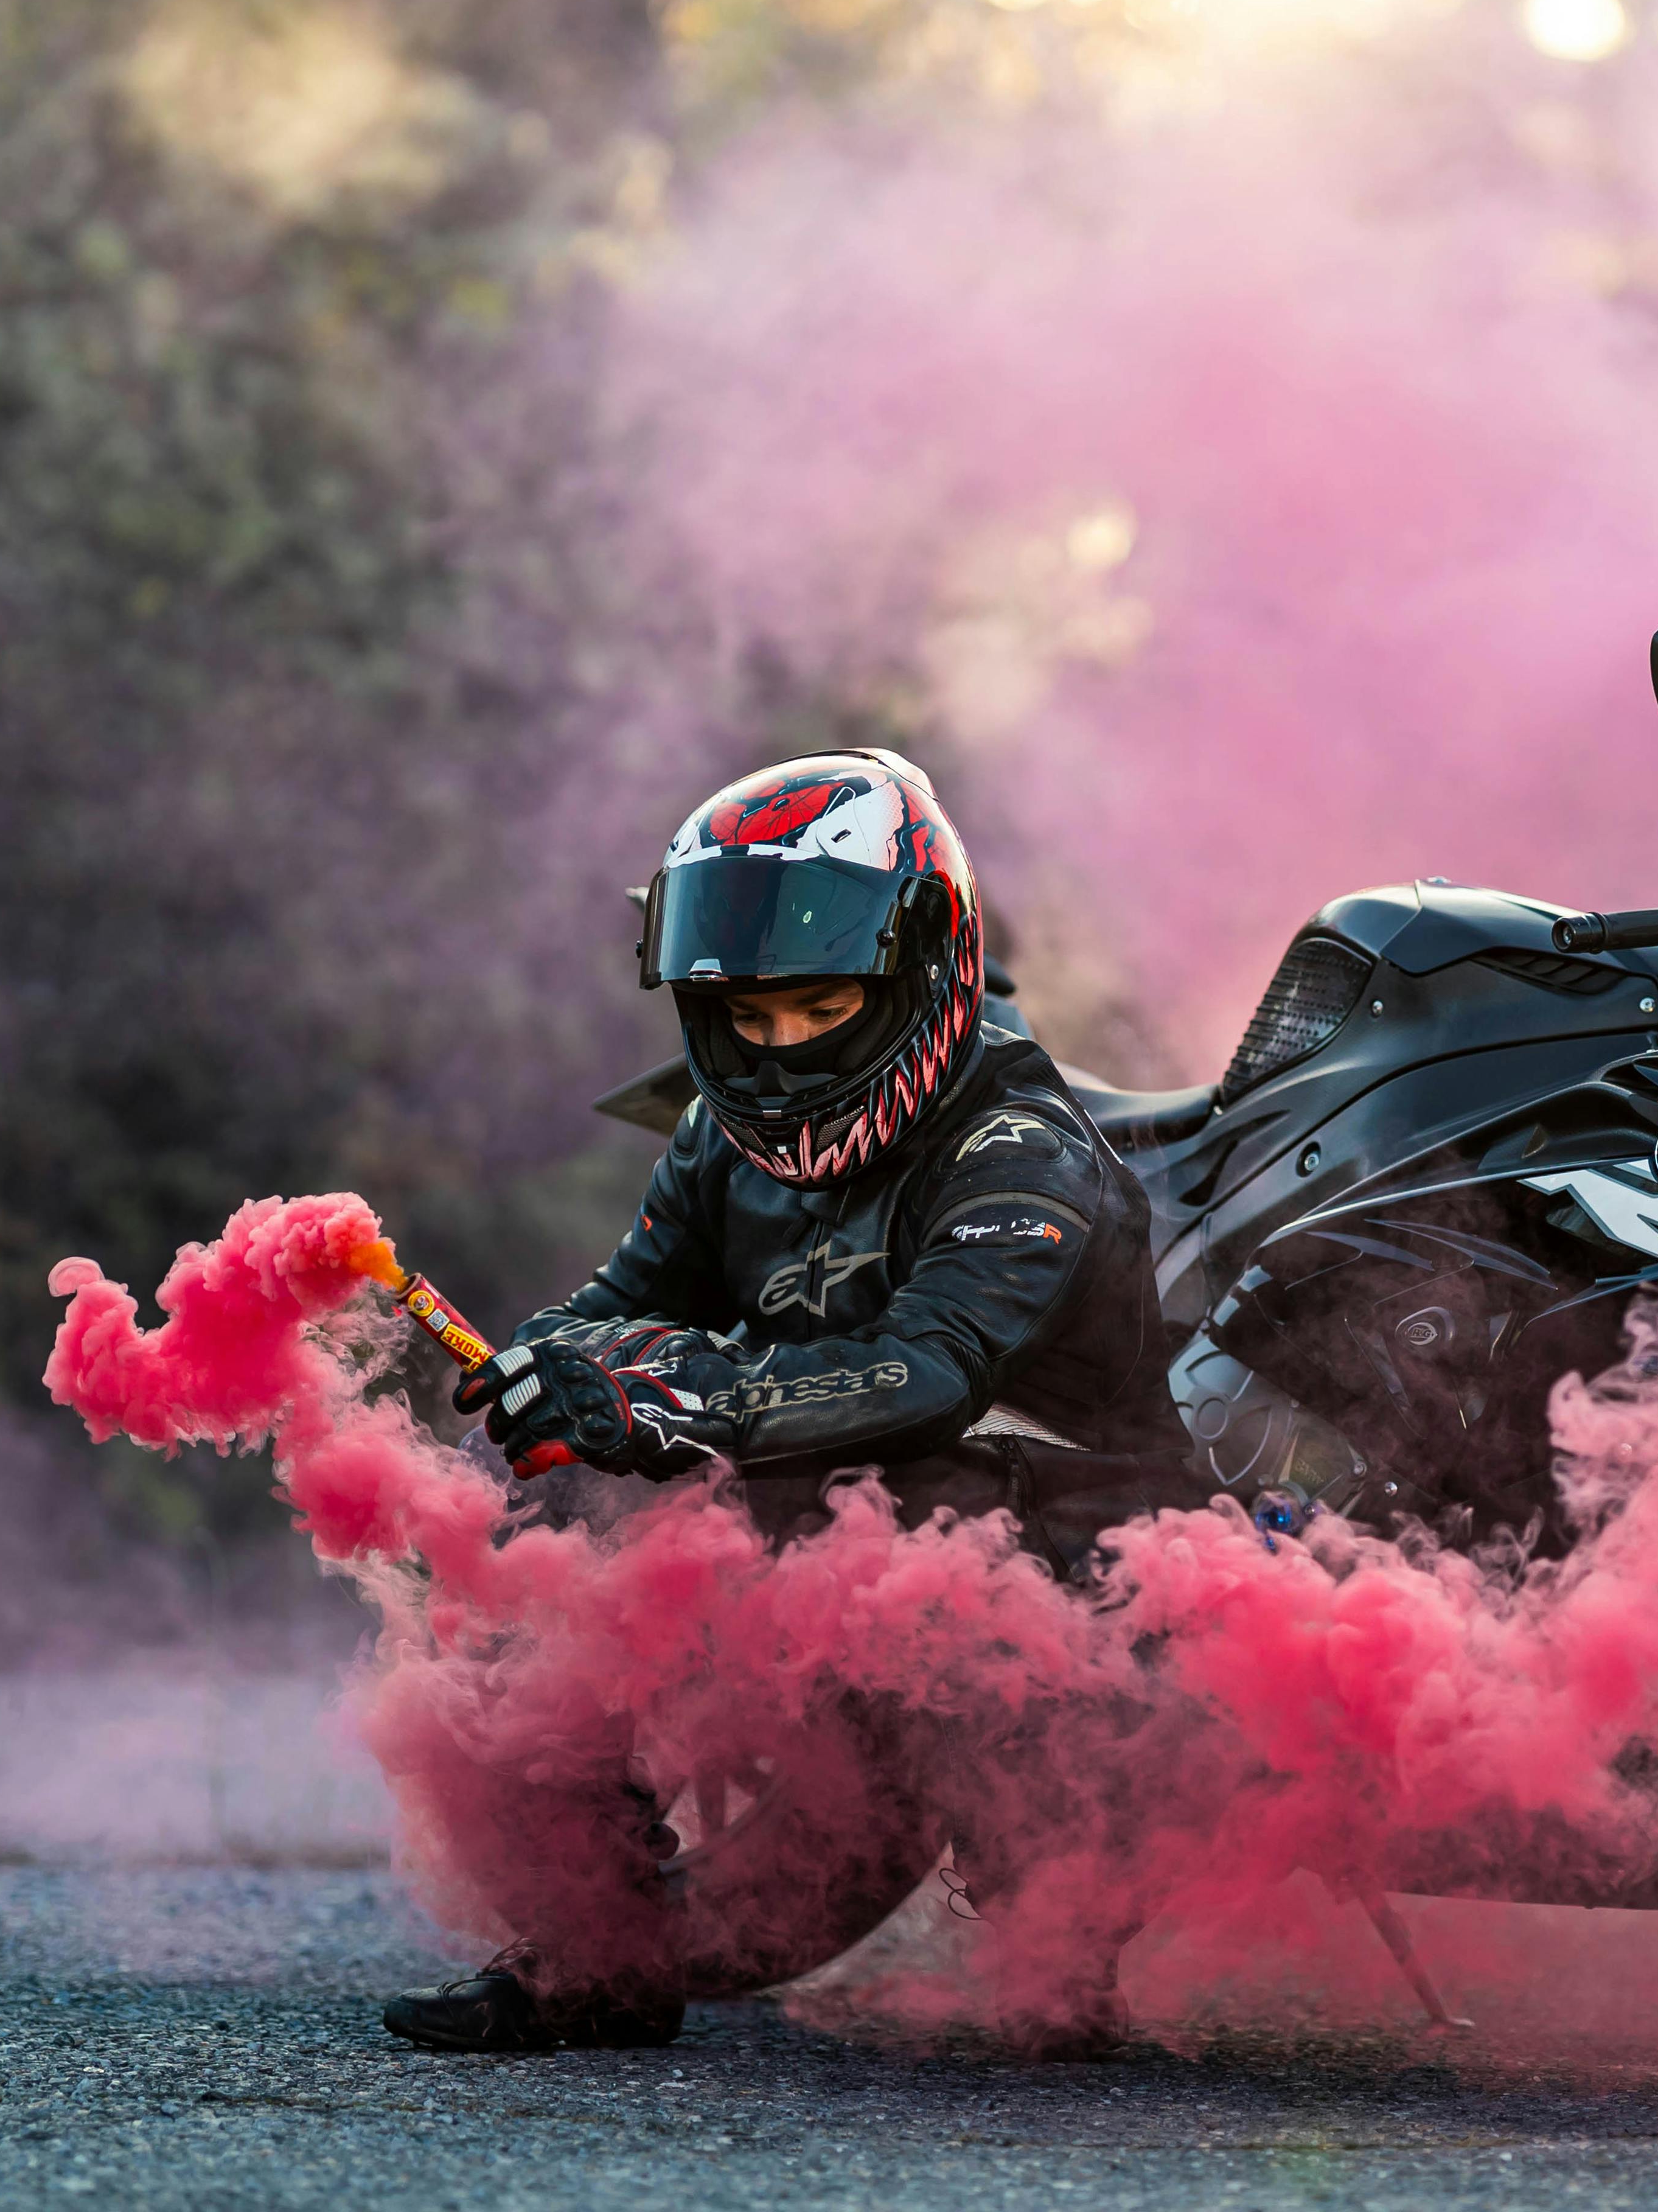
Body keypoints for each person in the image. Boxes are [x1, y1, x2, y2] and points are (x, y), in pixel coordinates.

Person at [380, 750, 1168, 2056]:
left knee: (926, 1516)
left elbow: (930, 1372)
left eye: (820, 1004)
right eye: (748, 1013)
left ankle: (1061, 1943)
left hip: (1090, 1593)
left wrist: (668, 1396)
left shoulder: (1019, 1147)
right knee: (506, 1485)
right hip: (845, 1544)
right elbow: (611, 1309)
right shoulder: (716, 1138)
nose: (782, 1048)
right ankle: (598, 1951)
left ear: (919, 976)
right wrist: (544, 1376)